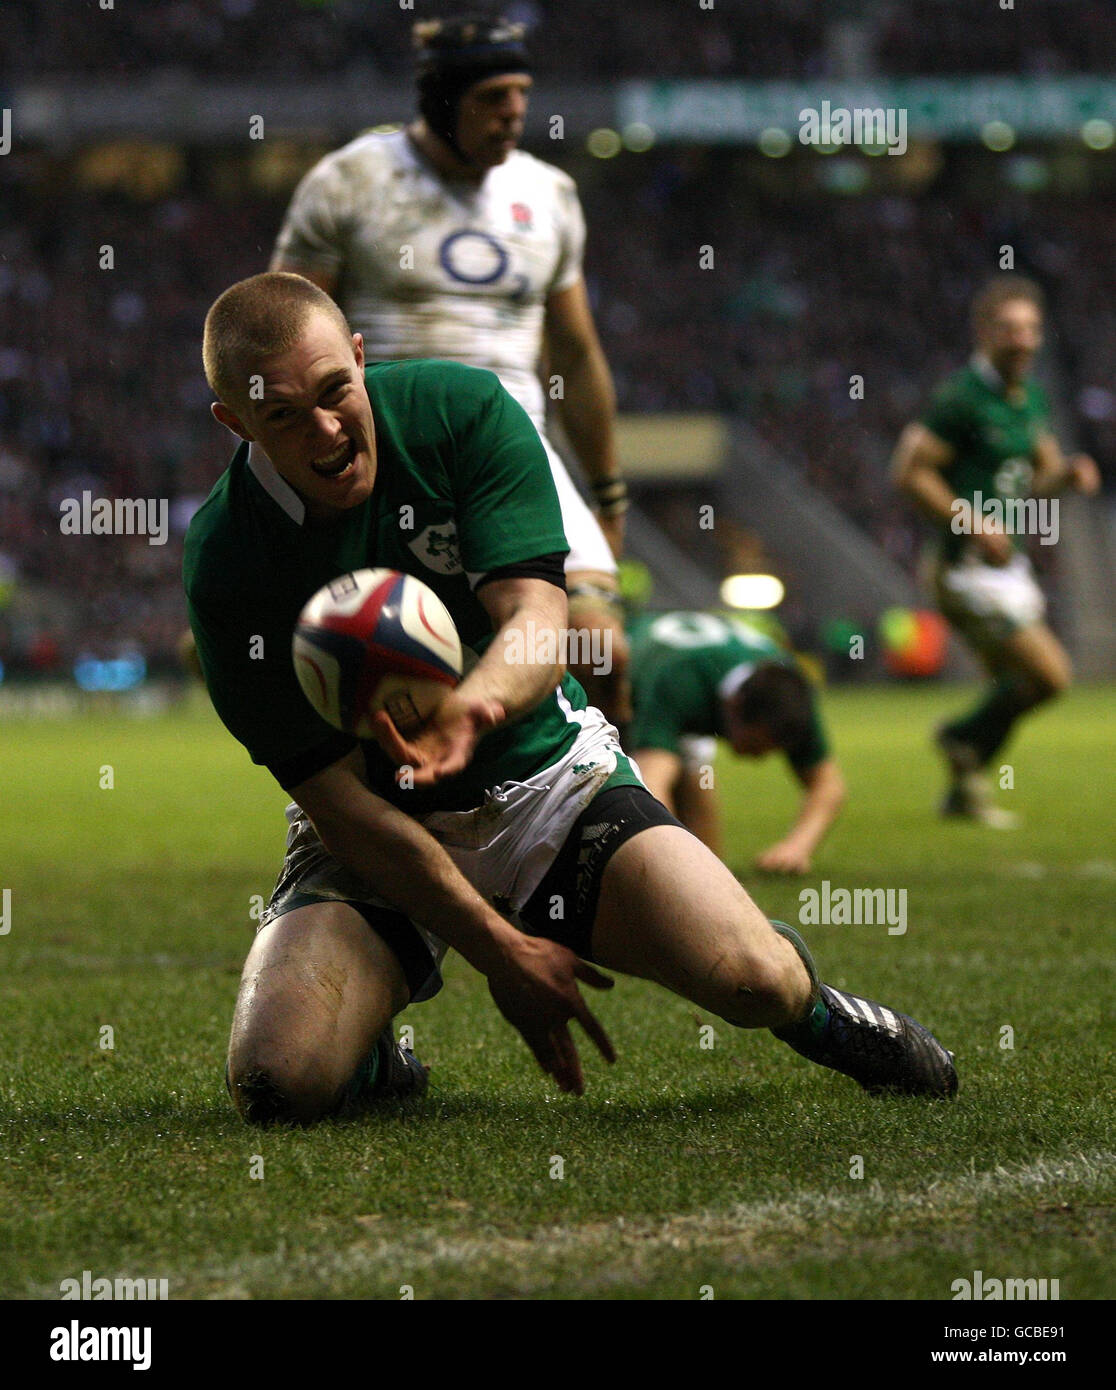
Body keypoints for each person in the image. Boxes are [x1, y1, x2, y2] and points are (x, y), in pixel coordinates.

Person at [184, 272, 957, 1126]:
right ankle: (373, 1056)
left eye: (337, 390)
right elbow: (337, 806)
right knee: (279, 1081)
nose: (327, 431)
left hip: (546, 784)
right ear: (237, 422)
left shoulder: (460, 411)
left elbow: (539, 622)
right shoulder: (225, 560)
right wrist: (502, 949)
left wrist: (472, 710)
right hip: (380, 825)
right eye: (285, 416)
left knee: (751, 979)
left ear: (361, 357)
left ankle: (823, 1014)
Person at [270, 13, 630, 721]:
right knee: (380, 675)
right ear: (442, 100)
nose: (514, 115)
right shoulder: (348, 183)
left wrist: (608, 490)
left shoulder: (550, 196)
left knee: (602, 653)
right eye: (493, 99)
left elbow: (578, 354)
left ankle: (599, 816)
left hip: (512, 448)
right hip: (388, 453)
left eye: (521, 95)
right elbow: (284, 340)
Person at [892, 275, 1100, 825]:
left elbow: (1039, 479)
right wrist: (970, 518)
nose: (1024, 339)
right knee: (1052, 675)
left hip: (1009, 567)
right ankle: (959, 738)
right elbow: (910, 471)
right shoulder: (961, 397)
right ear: (984, 332)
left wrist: (1070, 475)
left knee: (1021, 685)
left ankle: (964, 782)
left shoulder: (1029, 396)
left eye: (1031, 328)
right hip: (963, 569)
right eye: (1010, 328)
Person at [626, 610, 846, 874]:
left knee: (706, 853)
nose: (760, 758)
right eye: (756, 745)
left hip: (686, 677)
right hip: (624, 684)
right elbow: (652, 781)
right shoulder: (681, 680)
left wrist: (796, 848)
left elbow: (828, 784)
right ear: (733, 706)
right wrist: (671, 858)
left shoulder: (790, 693)